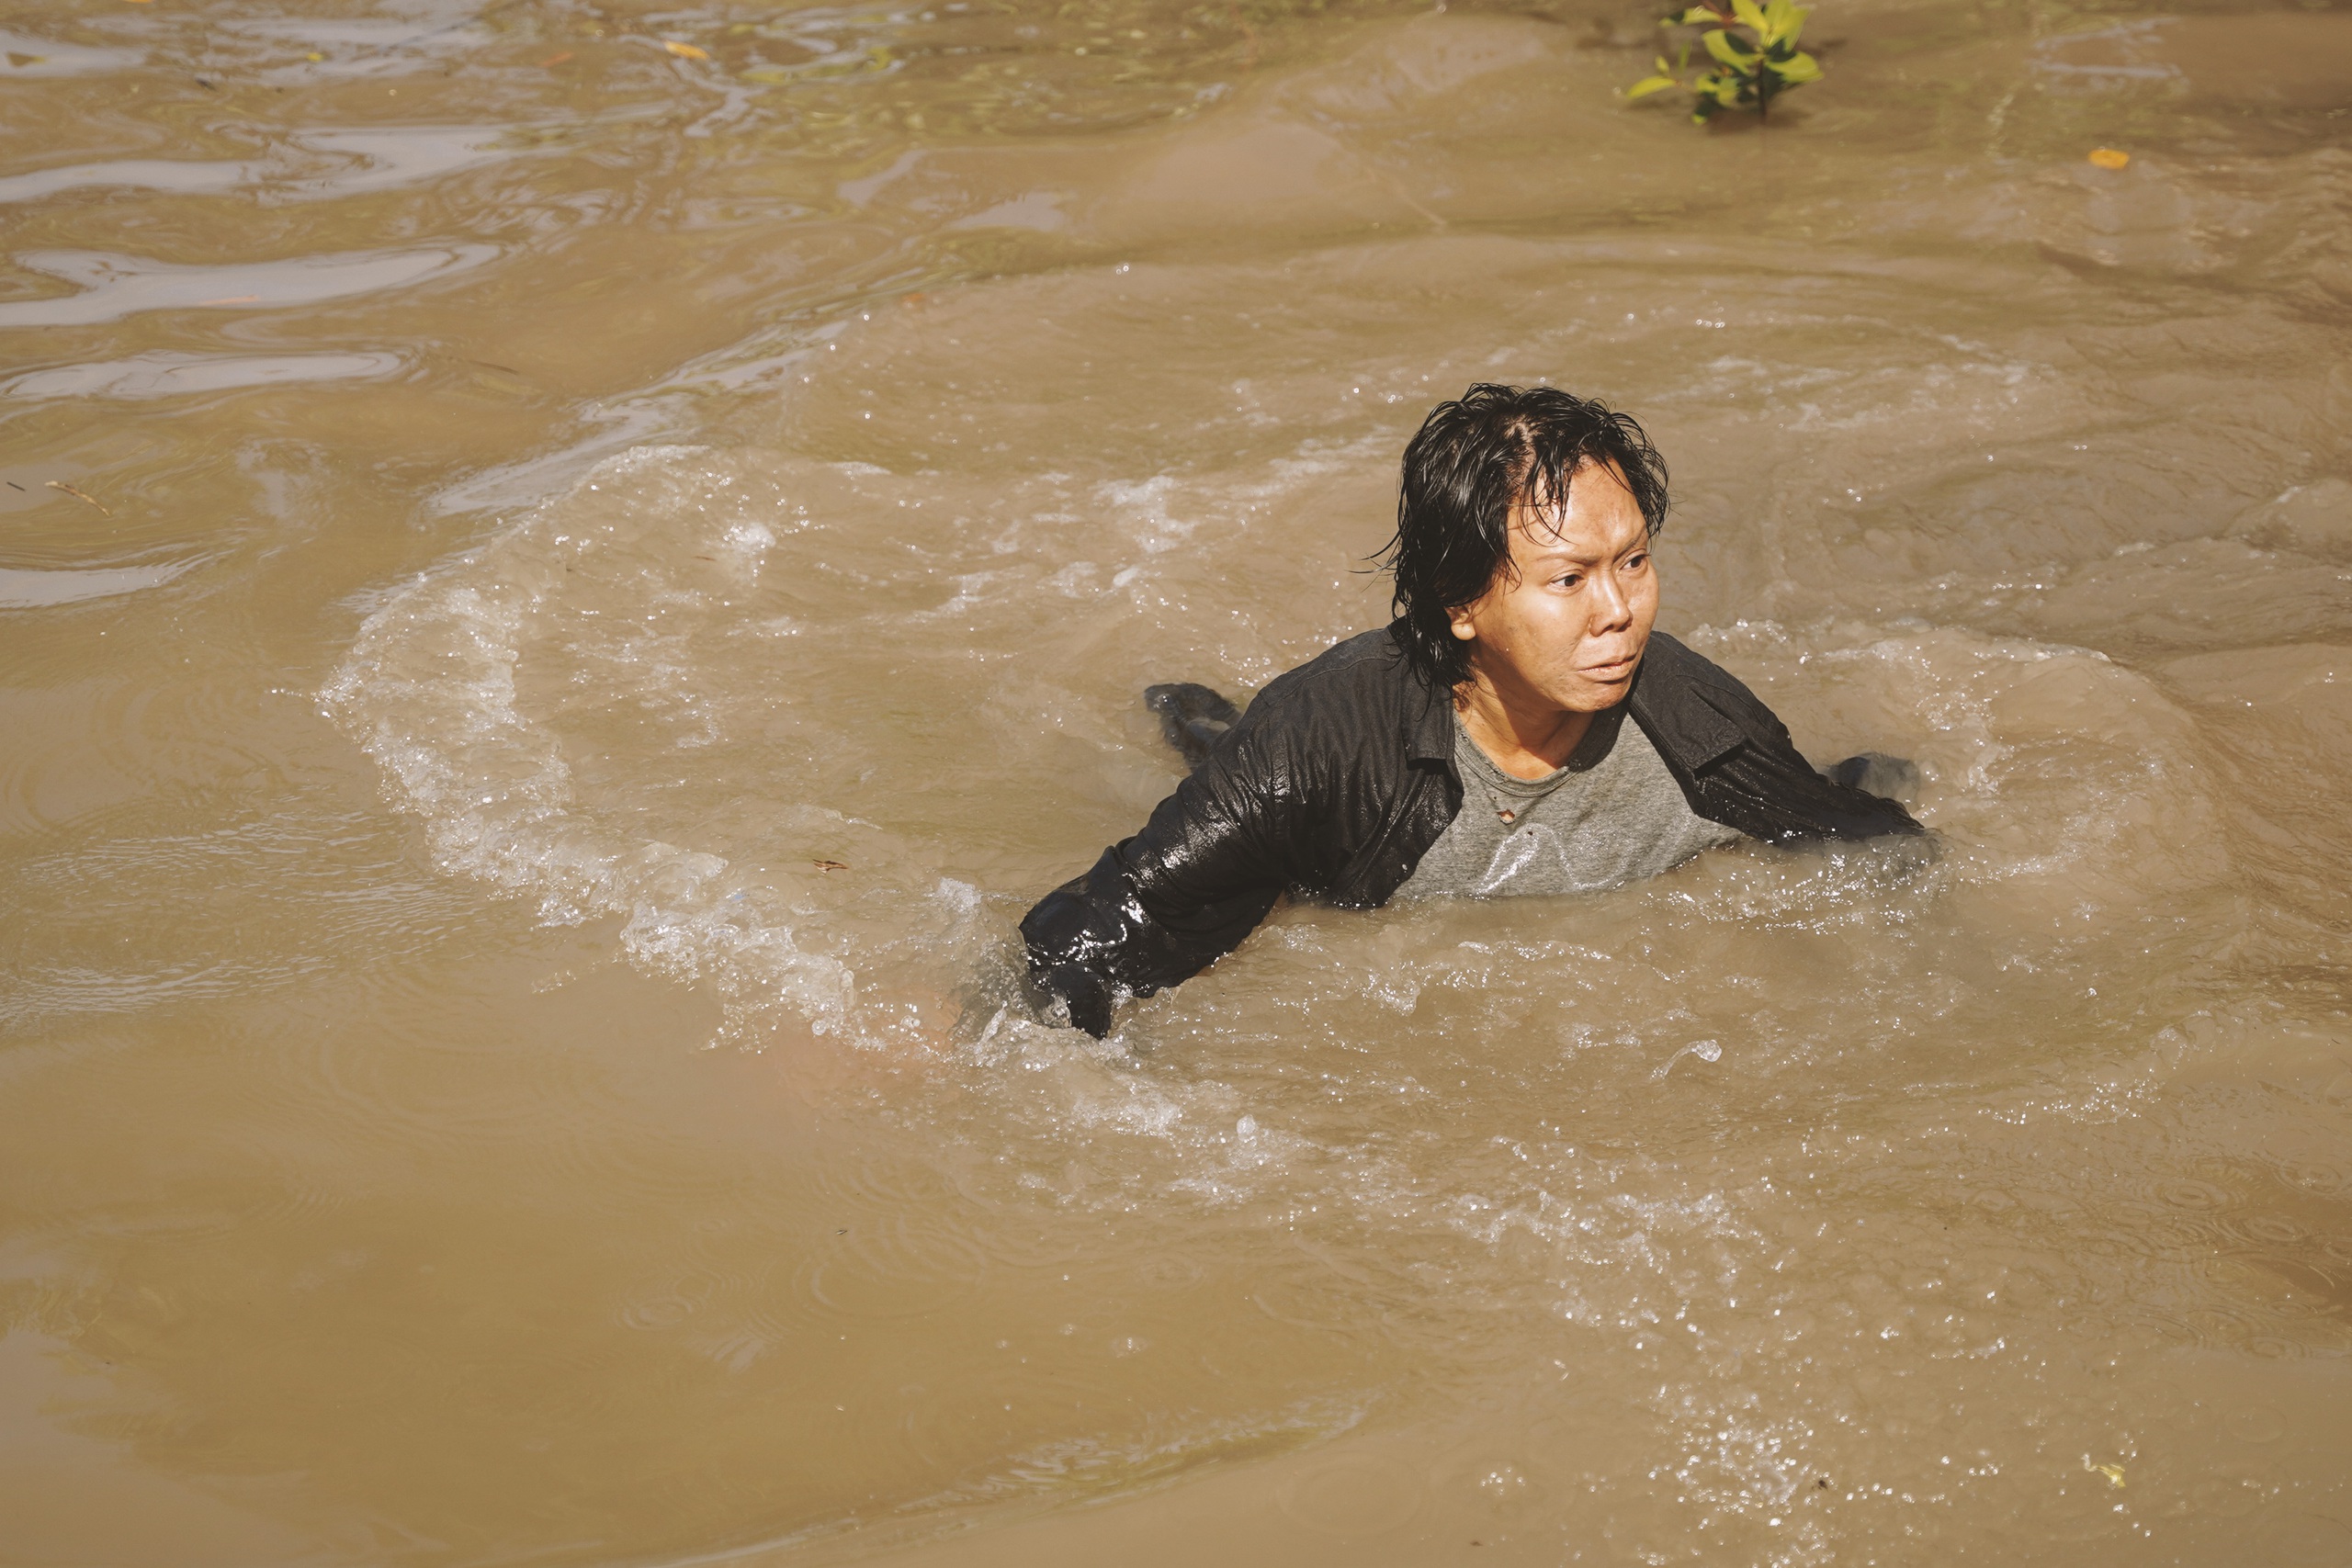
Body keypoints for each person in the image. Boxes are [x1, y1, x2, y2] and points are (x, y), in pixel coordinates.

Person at [1022, 384, 1929, 1036]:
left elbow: (1866, 837)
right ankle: (1203, 724)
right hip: (1314, 795)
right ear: (1459, 602)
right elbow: (1112, 924)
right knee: (1229, 779)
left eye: (1635, 562)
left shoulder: (1701, 730)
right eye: (1569, 578)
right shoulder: (1319, 748)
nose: (1619, 609)